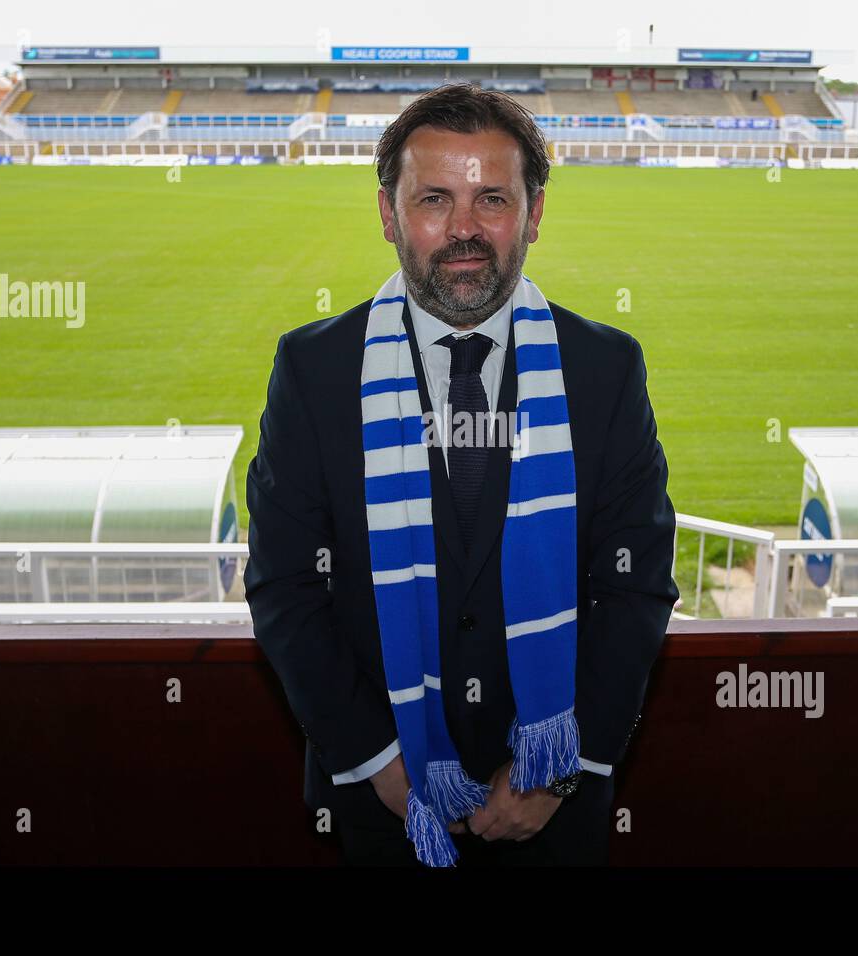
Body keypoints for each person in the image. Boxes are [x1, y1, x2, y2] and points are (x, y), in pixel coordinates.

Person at [244, 82, 678, 867]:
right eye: (435, 198)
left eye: (493, 199)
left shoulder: (606, 369)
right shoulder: (313, 370)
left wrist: (558, 774)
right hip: (381, 812)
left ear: (536, 214)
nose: (465, 229)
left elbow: (635, 588)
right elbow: (286, 588)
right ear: (387, 214)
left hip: (557, 816)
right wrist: (382, 767)